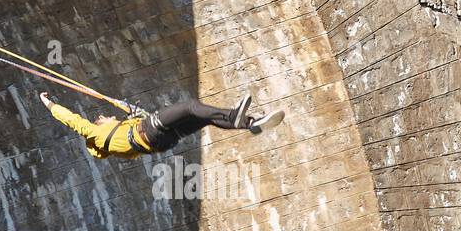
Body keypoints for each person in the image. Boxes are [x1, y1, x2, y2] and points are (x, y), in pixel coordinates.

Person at [39, 91, 283, 160]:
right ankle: (234, 117)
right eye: (101, 119)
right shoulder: (96, 133)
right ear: (98, 126)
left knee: (204, 118)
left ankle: (251, 123)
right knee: (189, 106)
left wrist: (128, 110)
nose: (103, 117)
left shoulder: (116, 144)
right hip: (149, 130)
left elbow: (133, 121)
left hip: (161, 141)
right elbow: (72, 120)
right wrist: (49, 104)